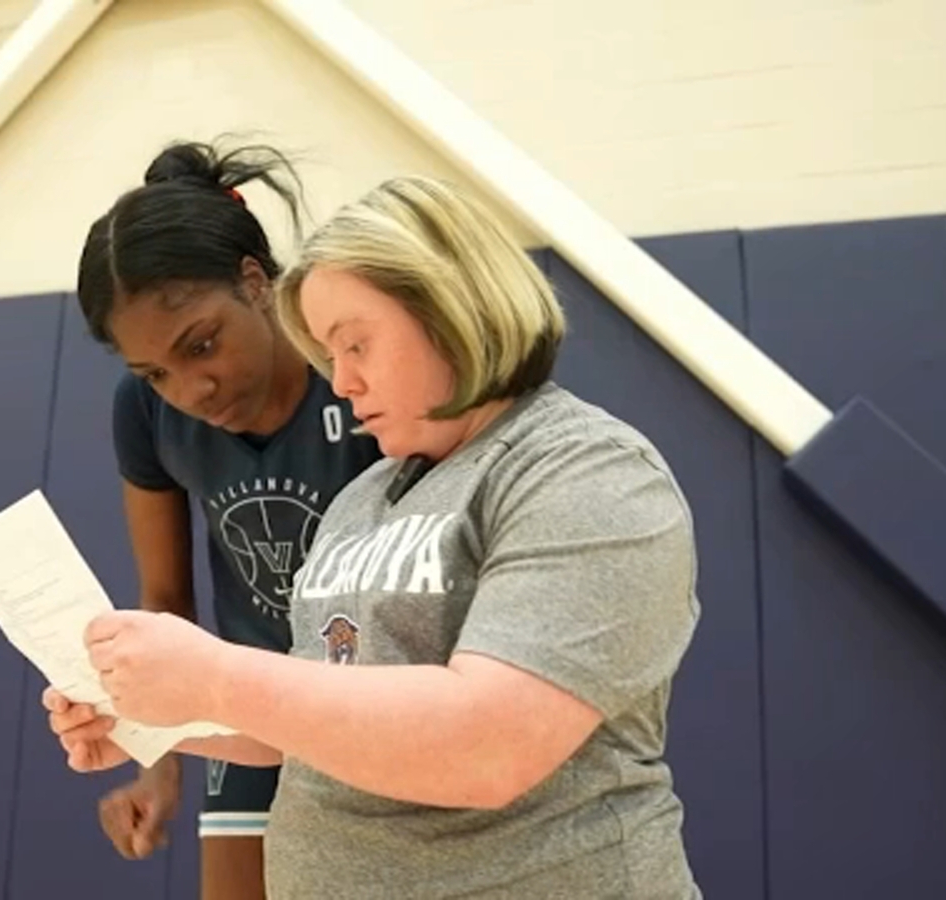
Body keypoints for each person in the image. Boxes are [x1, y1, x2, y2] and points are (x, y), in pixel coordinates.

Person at [48, 174, 704, 898]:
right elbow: (307, 725)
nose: (342, 380)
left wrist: (213, 675)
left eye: (355, 345)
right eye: (330, 354)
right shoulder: (366, 496)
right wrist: (148, 720)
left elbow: (486, 748)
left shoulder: (588, 471)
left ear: (450, 310)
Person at [72, 139, 384, 899]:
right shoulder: (144, 415)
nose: (191, 390)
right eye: (154, 372)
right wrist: (159, 757)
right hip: (249, 709)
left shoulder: (357, 375)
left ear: (256, 282)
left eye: (200, 345)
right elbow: (166, 604)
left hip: (382, 701)